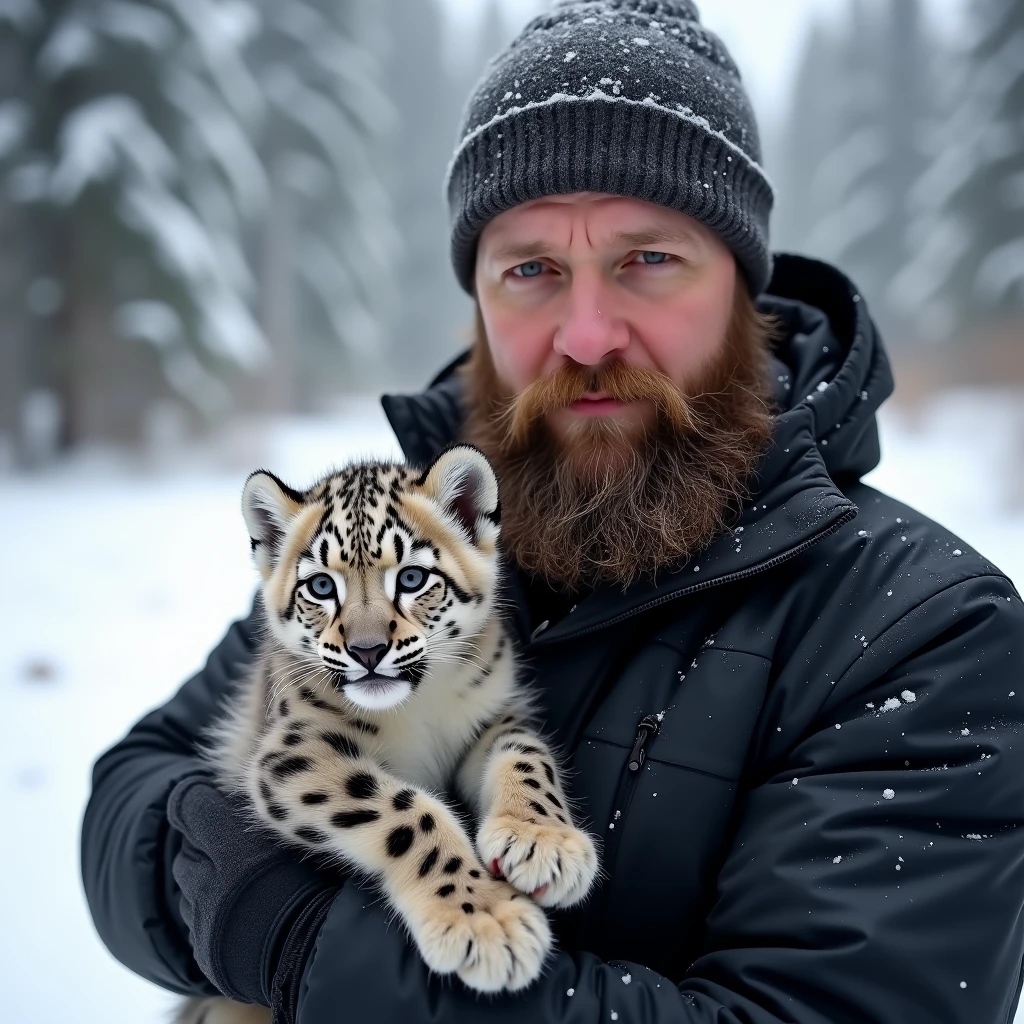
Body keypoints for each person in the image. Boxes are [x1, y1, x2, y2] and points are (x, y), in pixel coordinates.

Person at [81, 1, 1024, 1022]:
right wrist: (213, 876)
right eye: (530, 269)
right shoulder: (398, 535)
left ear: (743, 288)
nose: (585, 334)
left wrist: (300, 936)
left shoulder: (924, 631)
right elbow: (133, 794)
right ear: (478, 303)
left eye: (647, 259)